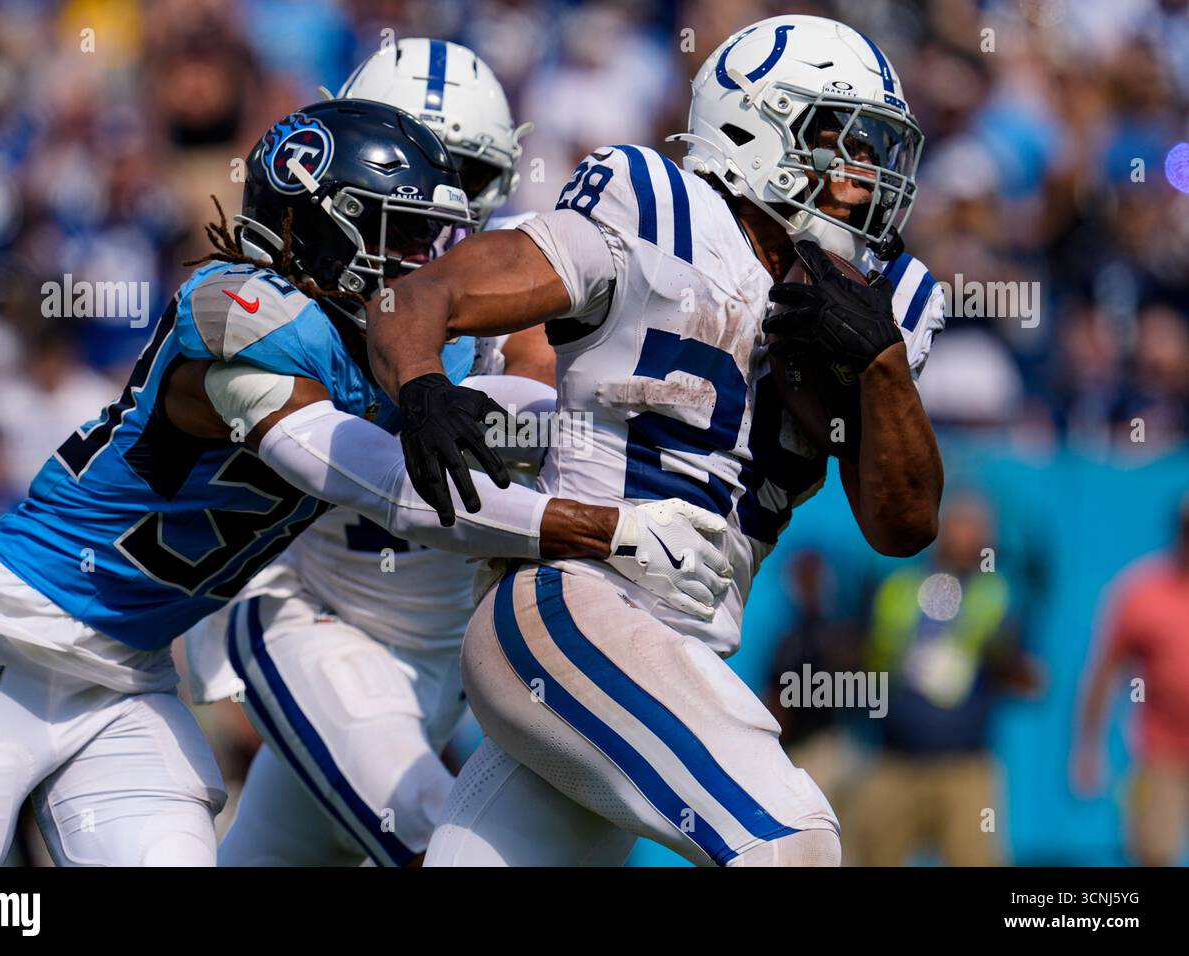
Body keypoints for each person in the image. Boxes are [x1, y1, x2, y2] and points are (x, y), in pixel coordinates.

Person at [0, 99, 730, 867]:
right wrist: (607, 527)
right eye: (402, 235)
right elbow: (383, 483)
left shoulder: (356, 335)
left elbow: (491, 412)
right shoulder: (238, 307)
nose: (422, 262)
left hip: (130, 675)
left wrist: (628, 421)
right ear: (324, 222)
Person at [365, 14, 947, 866]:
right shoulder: (653, 207)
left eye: (877, 151)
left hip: (676, 649)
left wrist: (881, 365)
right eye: (840, 141)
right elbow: (419, 298)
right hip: (573, 603)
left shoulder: (883, 298)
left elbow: (905, 525)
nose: (865, 178)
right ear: (754, 128)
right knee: (792, 841)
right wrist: (421, 387)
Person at [201, 38, 558, 867]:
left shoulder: (512, 273)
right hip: (311, 615)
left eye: (457, 180)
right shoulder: (290, 297)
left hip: (438, 661)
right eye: (394, 185)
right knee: (442, 847)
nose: (424, 213)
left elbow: (543, 396)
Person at [851, 492, 1039, 866]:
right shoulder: (899, 587)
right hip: (894, 761)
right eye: (957, 525)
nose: (964, 537)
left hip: (965, 768)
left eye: (975, 529)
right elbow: (868, 659)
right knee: (870, 853)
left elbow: (1020, 673)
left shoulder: (997, 594)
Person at [1073, 492, 1189, 866]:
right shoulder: (1141, 591)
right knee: (1154, 855)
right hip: (1159, 758)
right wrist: (1088, 749)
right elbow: (1105, 674)